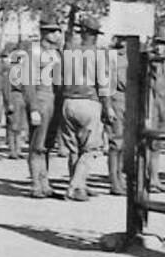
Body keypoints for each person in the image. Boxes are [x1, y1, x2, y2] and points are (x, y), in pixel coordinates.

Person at [57, 15, 111, 200]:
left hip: (68, 101)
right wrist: (107, 108)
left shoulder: (69, 51)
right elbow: (103, 85)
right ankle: (74, 187)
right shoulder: (99, 54)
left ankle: (80, 186)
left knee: (73, 149)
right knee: (90, 150)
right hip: (89, 102)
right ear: (93, 34)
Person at [23, 18, 64, 198]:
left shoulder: (58, 53)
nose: (57, 35)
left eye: (58, 31)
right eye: (53, 31)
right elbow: (28, 82)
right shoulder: (34, 52)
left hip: (55, 100)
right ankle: (35, 184)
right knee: (36, 144)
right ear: (44, 33)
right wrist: (33, 108)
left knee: (47, 145)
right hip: (40, 98)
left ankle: (45, 183)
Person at [145, 27, 165, 192]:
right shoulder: (149, 61)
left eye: (162, 44)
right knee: (150, 144)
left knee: (158, 145)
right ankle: (150, 179)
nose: (159, 47)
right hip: (151, 103)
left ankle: (155, 179)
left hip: (164, 103)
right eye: (157, 43)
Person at [104, 34, 129, 194]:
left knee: (125, 144)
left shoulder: (131, 56)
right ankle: (114, 181)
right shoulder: (110, 56)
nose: (123, 42)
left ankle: (121, 178)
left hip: (129, 101)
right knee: (116, 143)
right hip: (115, 99)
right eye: (121, 38)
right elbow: (105, 82)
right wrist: (107, 106)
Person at [4, 42, 29, 161]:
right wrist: (8, 102)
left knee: (20, 126)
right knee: (12, 125)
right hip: (14, 96)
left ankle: (18, 149)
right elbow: (7, 87)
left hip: (22, 98)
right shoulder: (11, 70)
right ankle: (12, 150)